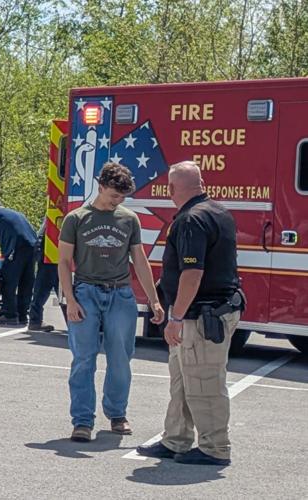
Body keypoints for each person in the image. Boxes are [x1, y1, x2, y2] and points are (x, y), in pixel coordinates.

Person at [136, 161, 243, 467]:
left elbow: (192, 274)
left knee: (205, 384)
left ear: (171, 189)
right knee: (183, 381)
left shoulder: (191, 220)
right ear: (201, 182)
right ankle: (176, 440)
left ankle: (215, 448)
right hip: (207, 311)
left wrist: (176, 317)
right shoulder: (218, 211)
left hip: (200, 316)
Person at [58, 163, 163, 442]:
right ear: (101, 186)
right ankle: (82, 420)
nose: (117, 201)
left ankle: (117, 413)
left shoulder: (129, 219)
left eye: (121, 198)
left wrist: (153, 300)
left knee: (121, 359)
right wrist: (70, 300)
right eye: (113, 195)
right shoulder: (77, 218)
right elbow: (64, 261)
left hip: (120, 294)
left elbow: (139, 260)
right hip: (86, 292)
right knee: (84, 358)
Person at [0, 201, 40, 326]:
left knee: (9, 281)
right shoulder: (16, 214)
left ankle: (9, 315)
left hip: (16, 248)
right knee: (26, 282)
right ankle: (23, 314)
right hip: (33, 247)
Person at [29, 216, 59, 333]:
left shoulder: (52, 213)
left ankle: (35, 320)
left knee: (45, 284)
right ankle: (75, 324)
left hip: (47, 247)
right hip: (50, 247)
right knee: (55, 284)